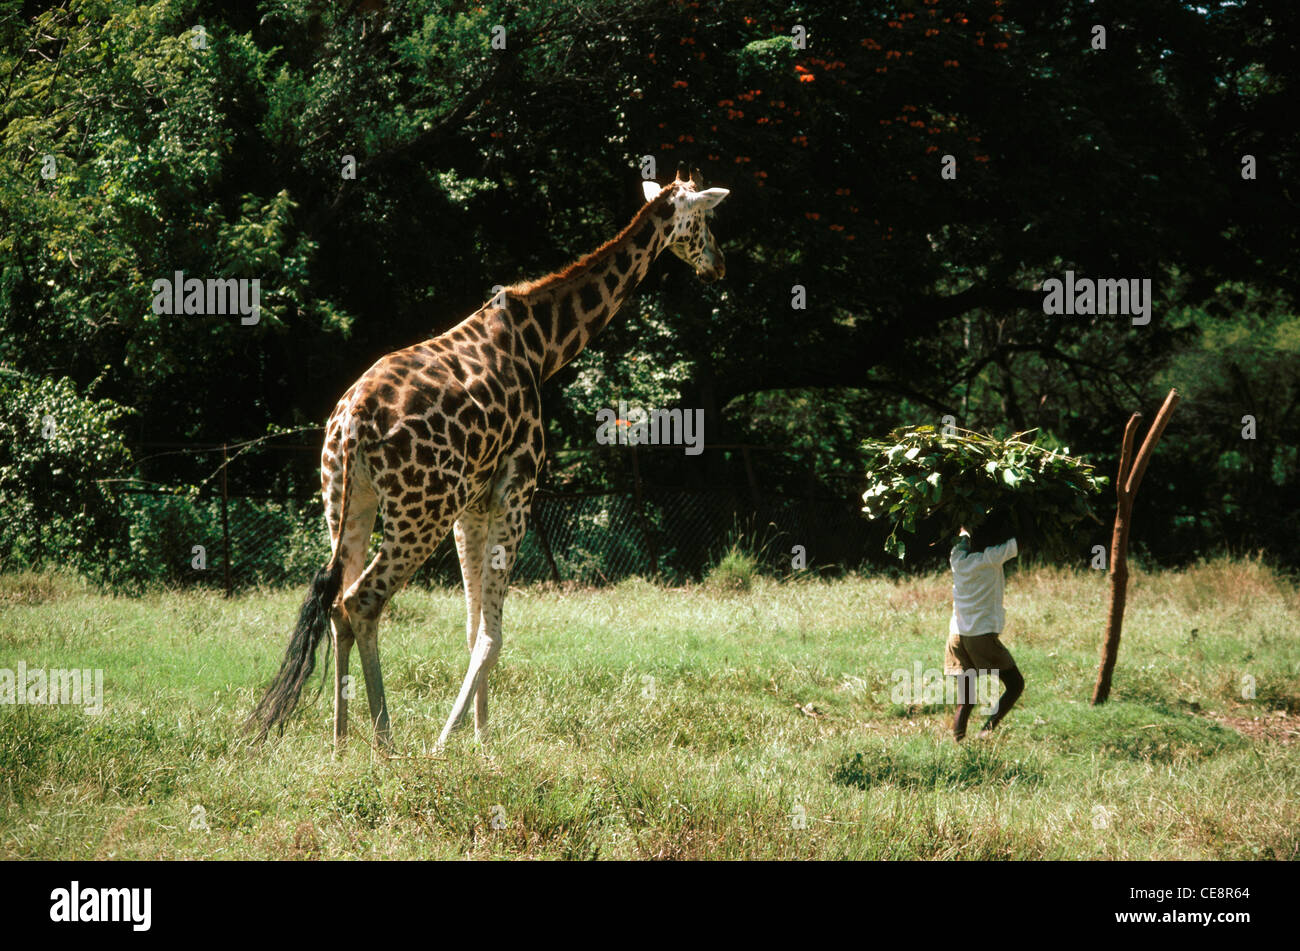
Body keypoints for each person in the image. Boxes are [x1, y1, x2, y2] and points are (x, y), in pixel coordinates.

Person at [945, 510, 1025, 740]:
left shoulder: (957, 558)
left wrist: (966, 520)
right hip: (980, 637)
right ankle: (985, 733)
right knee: (1015, 684)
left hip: (956, 636)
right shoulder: (992, 558)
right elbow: (1020, 542)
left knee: (965, 701)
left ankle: (958, 743)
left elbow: (963, 536)